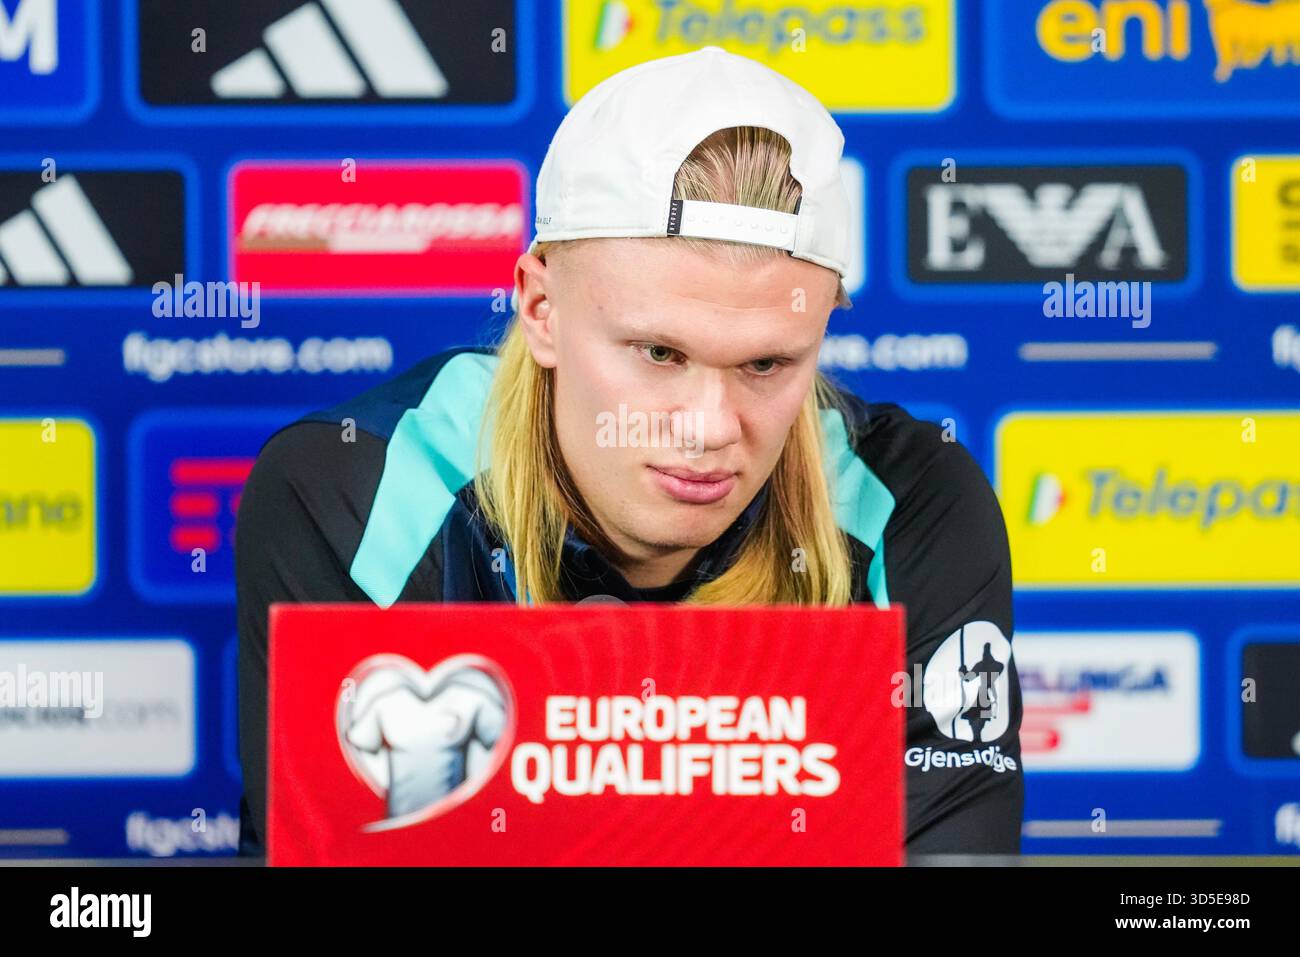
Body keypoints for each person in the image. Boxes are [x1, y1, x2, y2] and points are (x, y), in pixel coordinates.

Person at [235, 46, 1023, 857]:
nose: (708, 426)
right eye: (658, 353)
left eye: (766, 364)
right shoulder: (360, 487)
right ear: (540, 308)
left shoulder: (911, 504)